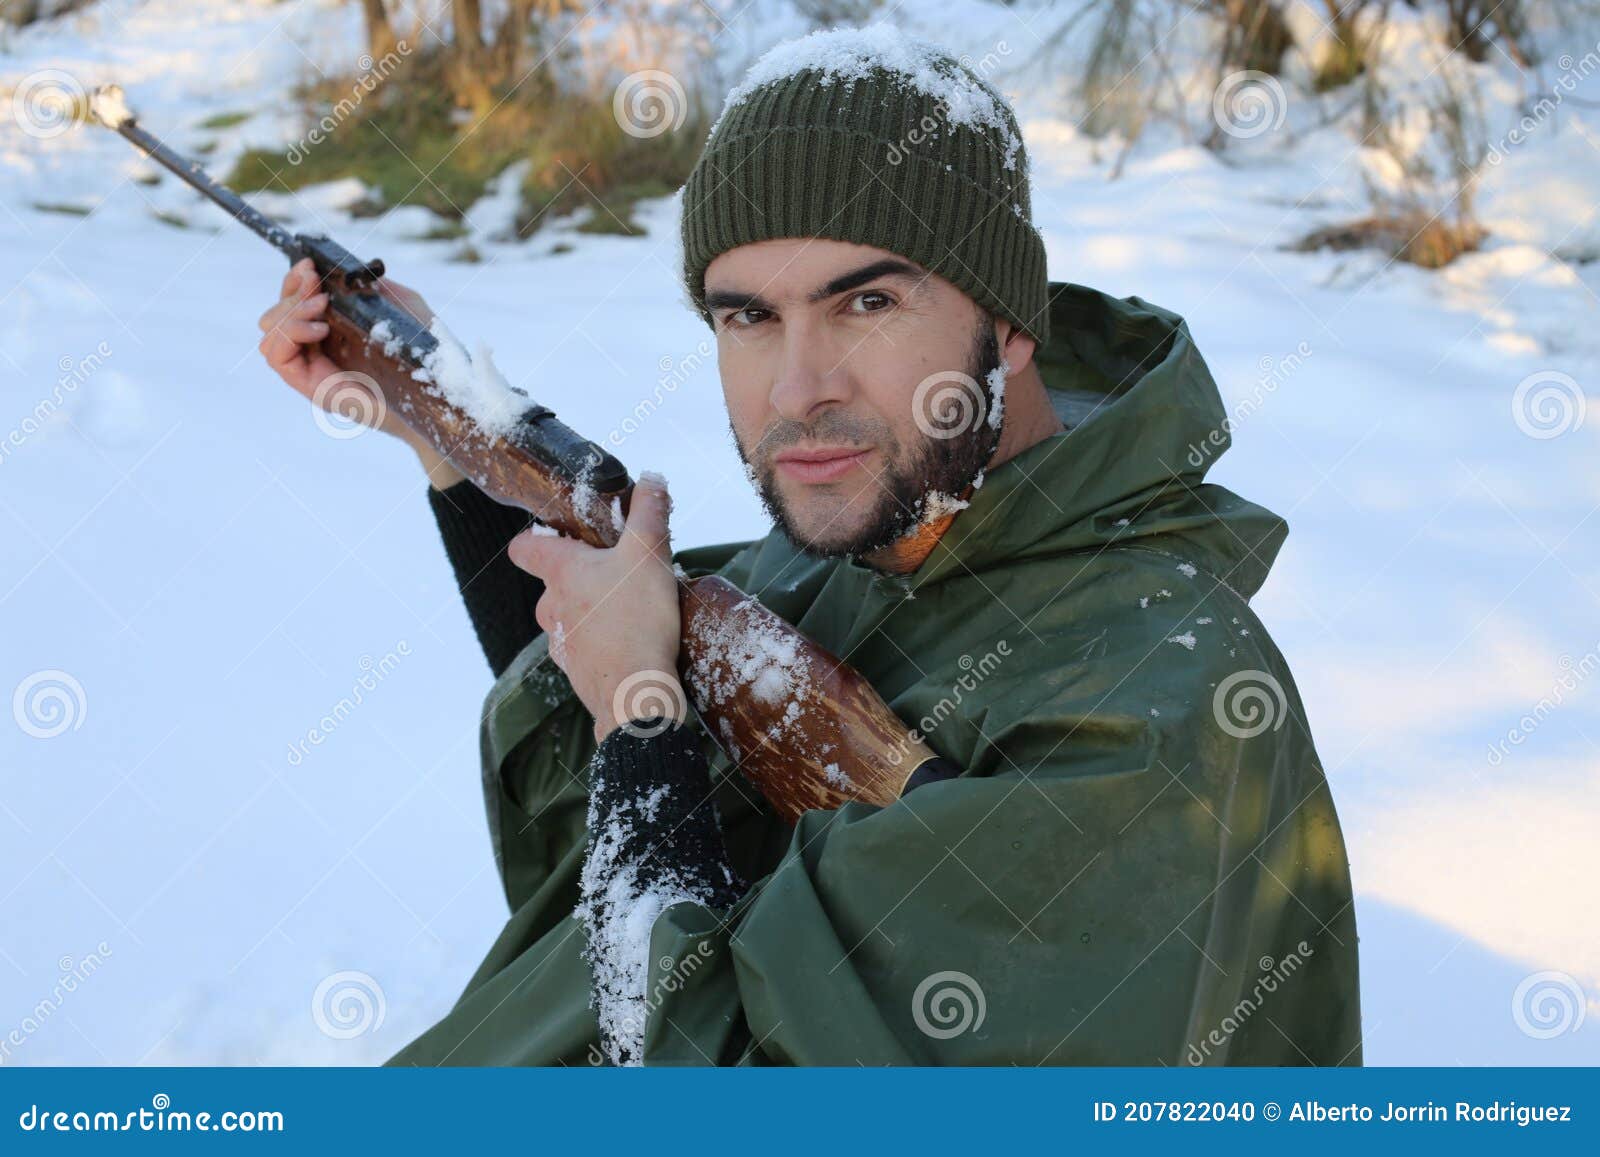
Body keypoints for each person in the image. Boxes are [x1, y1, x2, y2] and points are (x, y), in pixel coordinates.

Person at [256, 28, 1361, 1067]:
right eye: (747, 317)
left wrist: (644, 711)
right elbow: (592, 854)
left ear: (1010, 319)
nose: (797, 388)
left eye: (867, 300)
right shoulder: (855, 543)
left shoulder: (1150, 705)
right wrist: (447, 436)